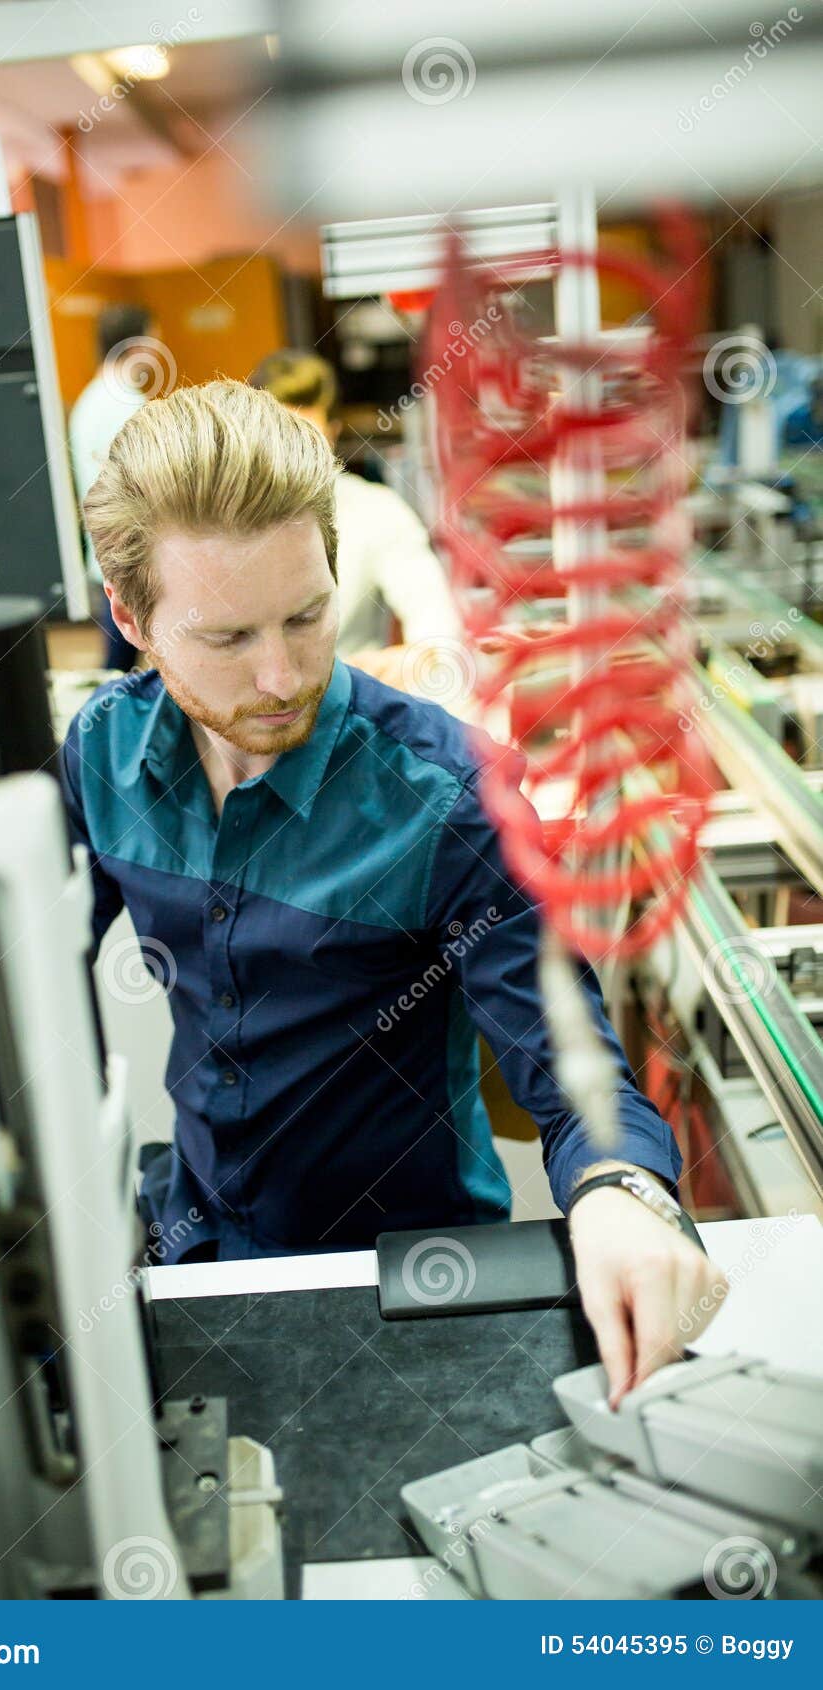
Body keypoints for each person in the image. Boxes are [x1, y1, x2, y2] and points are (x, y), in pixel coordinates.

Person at [63, 378, 720, 1405]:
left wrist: (621, 1194)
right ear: (130, 618)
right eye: (227, 639)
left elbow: (570, 1067)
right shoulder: (101, 752)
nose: (282, 675)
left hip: (410, 1282)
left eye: (306, 615)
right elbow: (20, 983)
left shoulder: (449, 797)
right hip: (194, 1248)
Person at [249, 350, 461, 655]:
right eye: (279, 439)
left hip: (353, 693)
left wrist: (413, 662)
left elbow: (437, 626)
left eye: (309, 439)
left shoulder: (375, 511)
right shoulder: (224, 520)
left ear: (332, 435)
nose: (292, 457)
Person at [68, 303, 154, 671]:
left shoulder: (88, 400)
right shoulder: (127, 402)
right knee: (124, 653)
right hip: (132, 549)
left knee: (119, 651)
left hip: (106, 547)